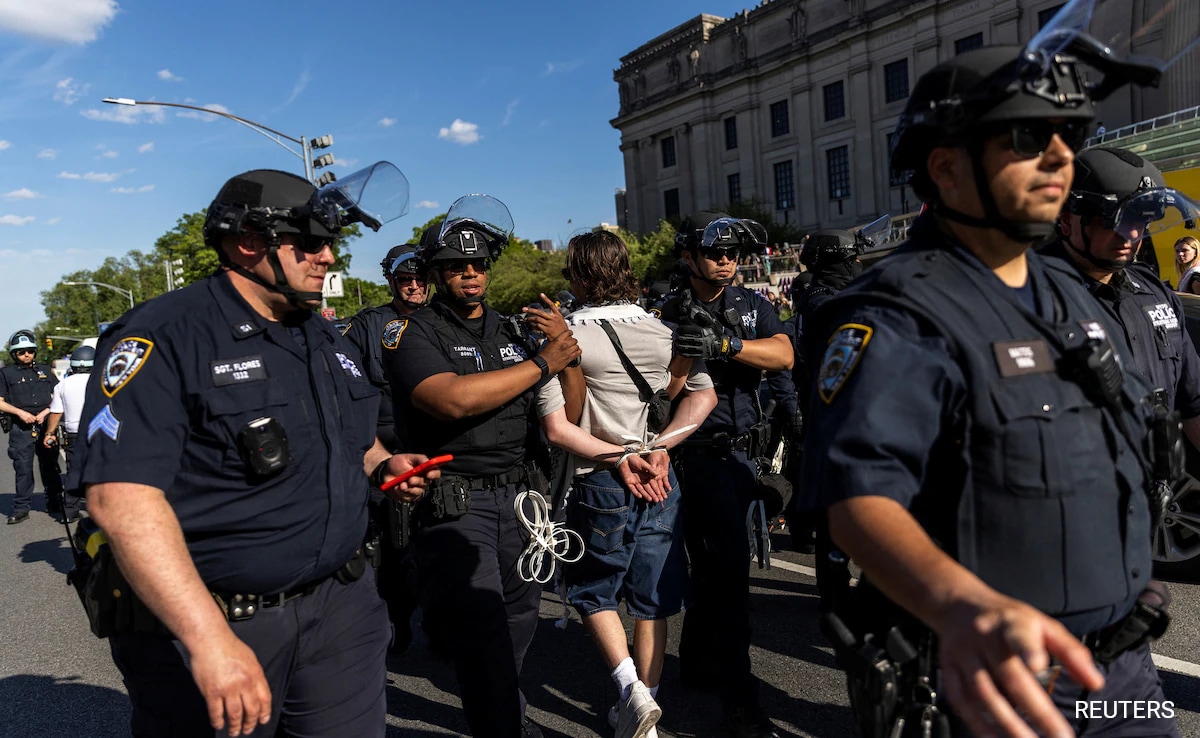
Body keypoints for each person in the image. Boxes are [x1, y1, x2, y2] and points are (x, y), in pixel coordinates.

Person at [803, 44, 1179, 737]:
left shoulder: (1075, 295)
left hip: (1125, 673)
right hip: (1001, 687)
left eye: (1070, 137)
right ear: (946, 168)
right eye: (1029, 138)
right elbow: (858, 499)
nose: (1061, 157)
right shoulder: (899, 314)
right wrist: (961, 607)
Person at [71, 164, 437, 738]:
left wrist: (383, 463)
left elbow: (355, 439)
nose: (329, 258)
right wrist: (207, 640)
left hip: (342, 614)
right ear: (248, 242)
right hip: (222, 621)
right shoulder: (166, 335)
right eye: (312, 243)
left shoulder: (320, 336)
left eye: (331, 244)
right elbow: (121, 499)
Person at [383, 195, 581, 738]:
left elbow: (570, 409)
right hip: (456, 499)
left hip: (521, 499)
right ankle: (501, 725)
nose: (469, 274)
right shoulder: (412, 332)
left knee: (520, 620)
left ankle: (498, 708)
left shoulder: (514, 330)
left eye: (477, 265)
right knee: (486, 627)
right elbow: (452, 401)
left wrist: (567, 352)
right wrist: (545, 361)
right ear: (435, 272)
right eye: (454, 266)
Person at [534, 231, 717, 738]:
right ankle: (649, 706)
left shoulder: (565, 338)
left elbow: (557, 428)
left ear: (577, 275)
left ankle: (631, 692)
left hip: (603, 479)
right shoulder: (662, 331)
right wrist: (661, 448)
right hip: (661, 476)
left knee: (594, 592)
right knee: (652, 596)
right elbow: (703, 399)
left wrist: (619, 458)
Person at [654, 211, 794, 738]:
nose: (728, 261)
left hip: (740, 456)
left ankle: (698, 665)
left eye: (735, 253)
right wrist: (685, 358)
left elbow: (783, 355)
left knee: (721, 573)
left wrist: (729, 345)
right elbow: (658, 396)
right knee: (721, 575)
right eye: (717, 253)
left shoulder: (751, 305)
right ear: (689, 257)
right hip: (694, 454)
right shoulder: (666, 312)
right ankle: (741, 703)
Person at [1042, 147, 1200, 448]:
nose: (1130, 234)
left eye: (1141, 219)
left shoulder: (1155, 292)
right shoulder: (1025, 298)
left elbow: (1194, 403)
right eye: (1111, 220)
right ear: (1065, 221)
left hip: (1158, 484)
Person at [341, 243, 428, 652]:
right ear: (390, 281)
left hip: (434, 449)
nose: (414, 286)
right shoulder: (366, 326)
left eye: (420, 278)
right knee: (390, 551)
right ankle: (395, 623)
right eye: (405, 279)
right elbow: (344, 389)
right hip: (383, 453)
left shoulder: (444, 322)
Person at [0, 329, 63, 525]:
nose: (26, 354)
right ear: (14, 354)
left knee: (50, 467)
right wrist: (20, 413)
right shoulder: (5, 374)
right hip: (21, 428)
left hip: (46, 426)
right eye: (21, 352)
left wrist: (46, 412)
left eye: (30, 350)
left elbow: (59, 396)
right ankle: (21, 508)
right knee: (23, 469)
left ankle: (54, 503)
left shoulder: (45, 370)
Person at [42, 344, 93, 522]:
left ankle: (70, 513)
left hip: (74, 435)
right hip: (99, 433)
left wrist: (49, 433)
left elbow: (56, 412)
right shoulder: (102, 381)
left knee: (73, 473)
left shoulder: (62, 385)